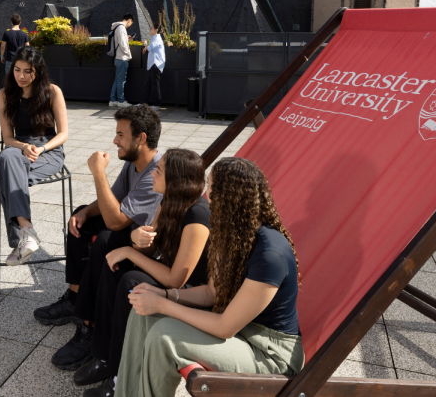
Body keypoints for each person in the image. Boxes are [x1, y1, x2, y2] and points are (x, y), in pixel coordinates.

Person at [116, 158, 304, 397]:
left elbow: (225, 326)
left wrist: (164, 304)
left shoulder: (270, 255)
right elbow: (211, 293)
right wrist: (164, 295)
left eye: (210, 188)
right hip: (241, 333)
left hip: (268, 355)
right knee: (143, 313)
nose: (205, 195)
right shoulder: (234, 234)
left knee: (164, 337)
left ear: (228, 198)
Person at [72, 149, 209, 396]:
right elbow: (149, 250)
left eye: (159, 171)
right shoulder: (168, 200)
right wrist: (136, 240)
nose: (153, 174)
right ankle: (104, 357)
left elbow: (177, 280)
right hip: (173, 280)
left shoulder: (197, 215)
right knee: (114, 267)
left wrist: (130, 251)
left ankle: (119, 377)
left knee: (130, 280)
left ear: (176, 180)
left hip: (194, 294)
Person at [36, 105, 163, 370]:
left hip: (148, 249)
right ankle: (75, 297)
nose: (115, 140)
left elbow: (116, 219)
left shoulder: (154, 174)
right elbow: (112, 199)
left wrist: (98, 173)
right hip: (128, 232)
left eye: (120, 135)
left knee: (106, 237)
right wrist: (84, 212)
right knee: (82, 220)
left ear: (141, 138)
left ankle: (89, 327)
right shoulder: (134, 165)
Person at [0, 47, 69, 265]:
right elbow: (8, 138)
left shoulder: (52, 91)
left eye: (28, 71)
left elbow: (63, 133)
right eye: (17, 70)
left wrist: (41, 149)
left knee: (4, 181)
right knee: (8, 157)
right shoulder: (4, 95)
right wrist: (23, 146)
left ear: (38, 71)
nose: (21, 76)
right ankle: (27, 230)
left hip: (49, 150)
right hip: (18, 148)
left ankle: (21, 242)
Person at [107, 14, 133, 108]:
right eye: (131, 23)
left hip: (117, 57)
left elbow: (119, 42)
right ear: (129, 20)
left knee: (117, 79)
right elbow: (122, 44)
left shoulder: (116, 27)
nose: (129, 25)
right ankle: (121, 101)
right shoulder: (122, 28)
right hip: (122, 58)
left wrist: (127, 39)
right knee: (121, 80)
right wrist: (129, 55)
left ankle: (113, 100)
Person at [142, 25, 166, 110]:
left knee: (155, 85)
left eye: (151, 28)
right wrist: (146, 47)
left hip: (156, 64)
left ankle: (156, 105)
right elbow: (150, 48)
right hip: (153, 64)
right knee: (148, 84)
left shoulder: (157, 39)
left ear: (156, 30)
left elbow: (150, 49)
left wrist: (145, 44)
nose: (150, 29)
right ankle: (144, 103)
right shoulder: (155, 38)